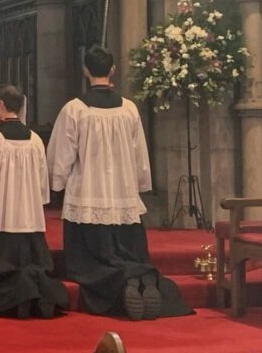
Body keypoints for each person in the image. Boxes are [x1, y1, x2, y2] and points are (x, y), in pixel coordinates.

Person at [47, 44, 192, 320]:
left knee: (88, 267)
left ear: (85, 71)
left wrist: (57, 184)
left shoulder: (75, 110)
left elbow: (61, 155)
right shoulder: (129, 109)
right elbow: (140, 154)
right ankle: (142, 278)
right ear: (113, 70)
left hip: (88, 198)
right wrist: (139, 183)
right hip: (123, 198)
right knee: (131, 256)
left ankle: (124, 282)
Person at [0, 85, 69, 319]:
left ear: (2, 106)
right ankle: (34, 290)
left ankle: (18, 293)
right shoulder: (36, 141)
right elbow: (43, 190)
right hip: (30, 229)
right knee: (34, 269)